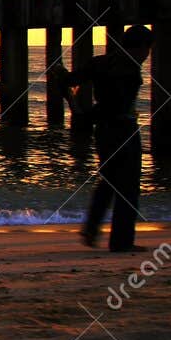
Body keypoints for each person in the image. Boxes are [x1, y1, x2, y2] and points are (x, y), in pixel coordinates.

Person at [67, 24, 153, 253]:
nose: (147, 55)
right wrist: (91, 115)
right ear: (141, 47)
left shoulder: (99, 62)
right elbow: (116, 105)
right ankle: (121, 242)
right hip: (123, 131)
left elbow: (71, 80)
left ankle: (91, 229)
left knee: (108, 181)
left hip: (103, 133)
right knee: (128, 189)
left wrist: (82, 112)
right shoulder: (130, 71)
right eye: (147, 49)